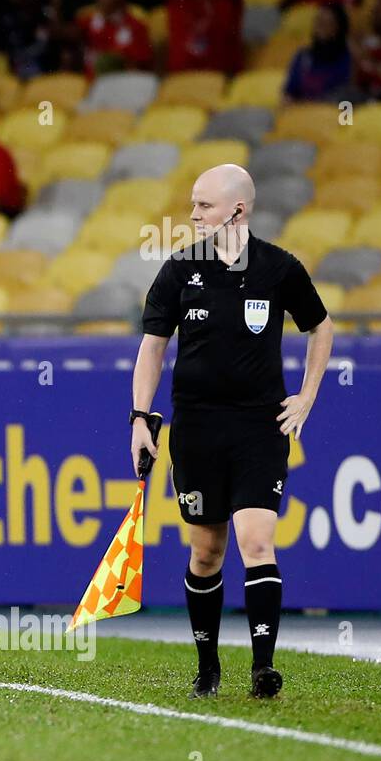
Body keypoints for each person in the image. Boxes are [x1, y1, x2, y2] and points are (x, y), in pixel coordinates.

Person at [133, 163, 333, 699]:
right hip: (195, 427)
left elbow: (321, 325)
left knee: (257, 540)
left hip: (259, 427)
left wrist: (307, 395)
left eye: (203, 205)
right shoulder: (179, 270)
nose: (193, 214)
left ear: (237, 211)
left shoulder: (278, 268)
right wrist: (139, 418)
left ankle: (263, 668)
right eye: (193, 204)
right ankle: (208, 667)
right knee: (207, 553)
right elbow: (152, 346)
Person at [77, 0, 154, 77]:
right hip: (90, 87)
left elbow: (142, 66)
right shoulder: (86, 22)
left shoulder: (137, 26)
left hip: (123, 85)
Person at [284, 2, 354, 102]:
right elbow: (289, 92)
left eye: (328, 23)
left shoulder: (347, 59)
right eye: (319, 22)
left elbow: (345, 96)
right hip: (300, 112)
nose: (321, 28)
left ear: (339, 28)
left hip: (332, 112)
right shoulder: (302, 56)